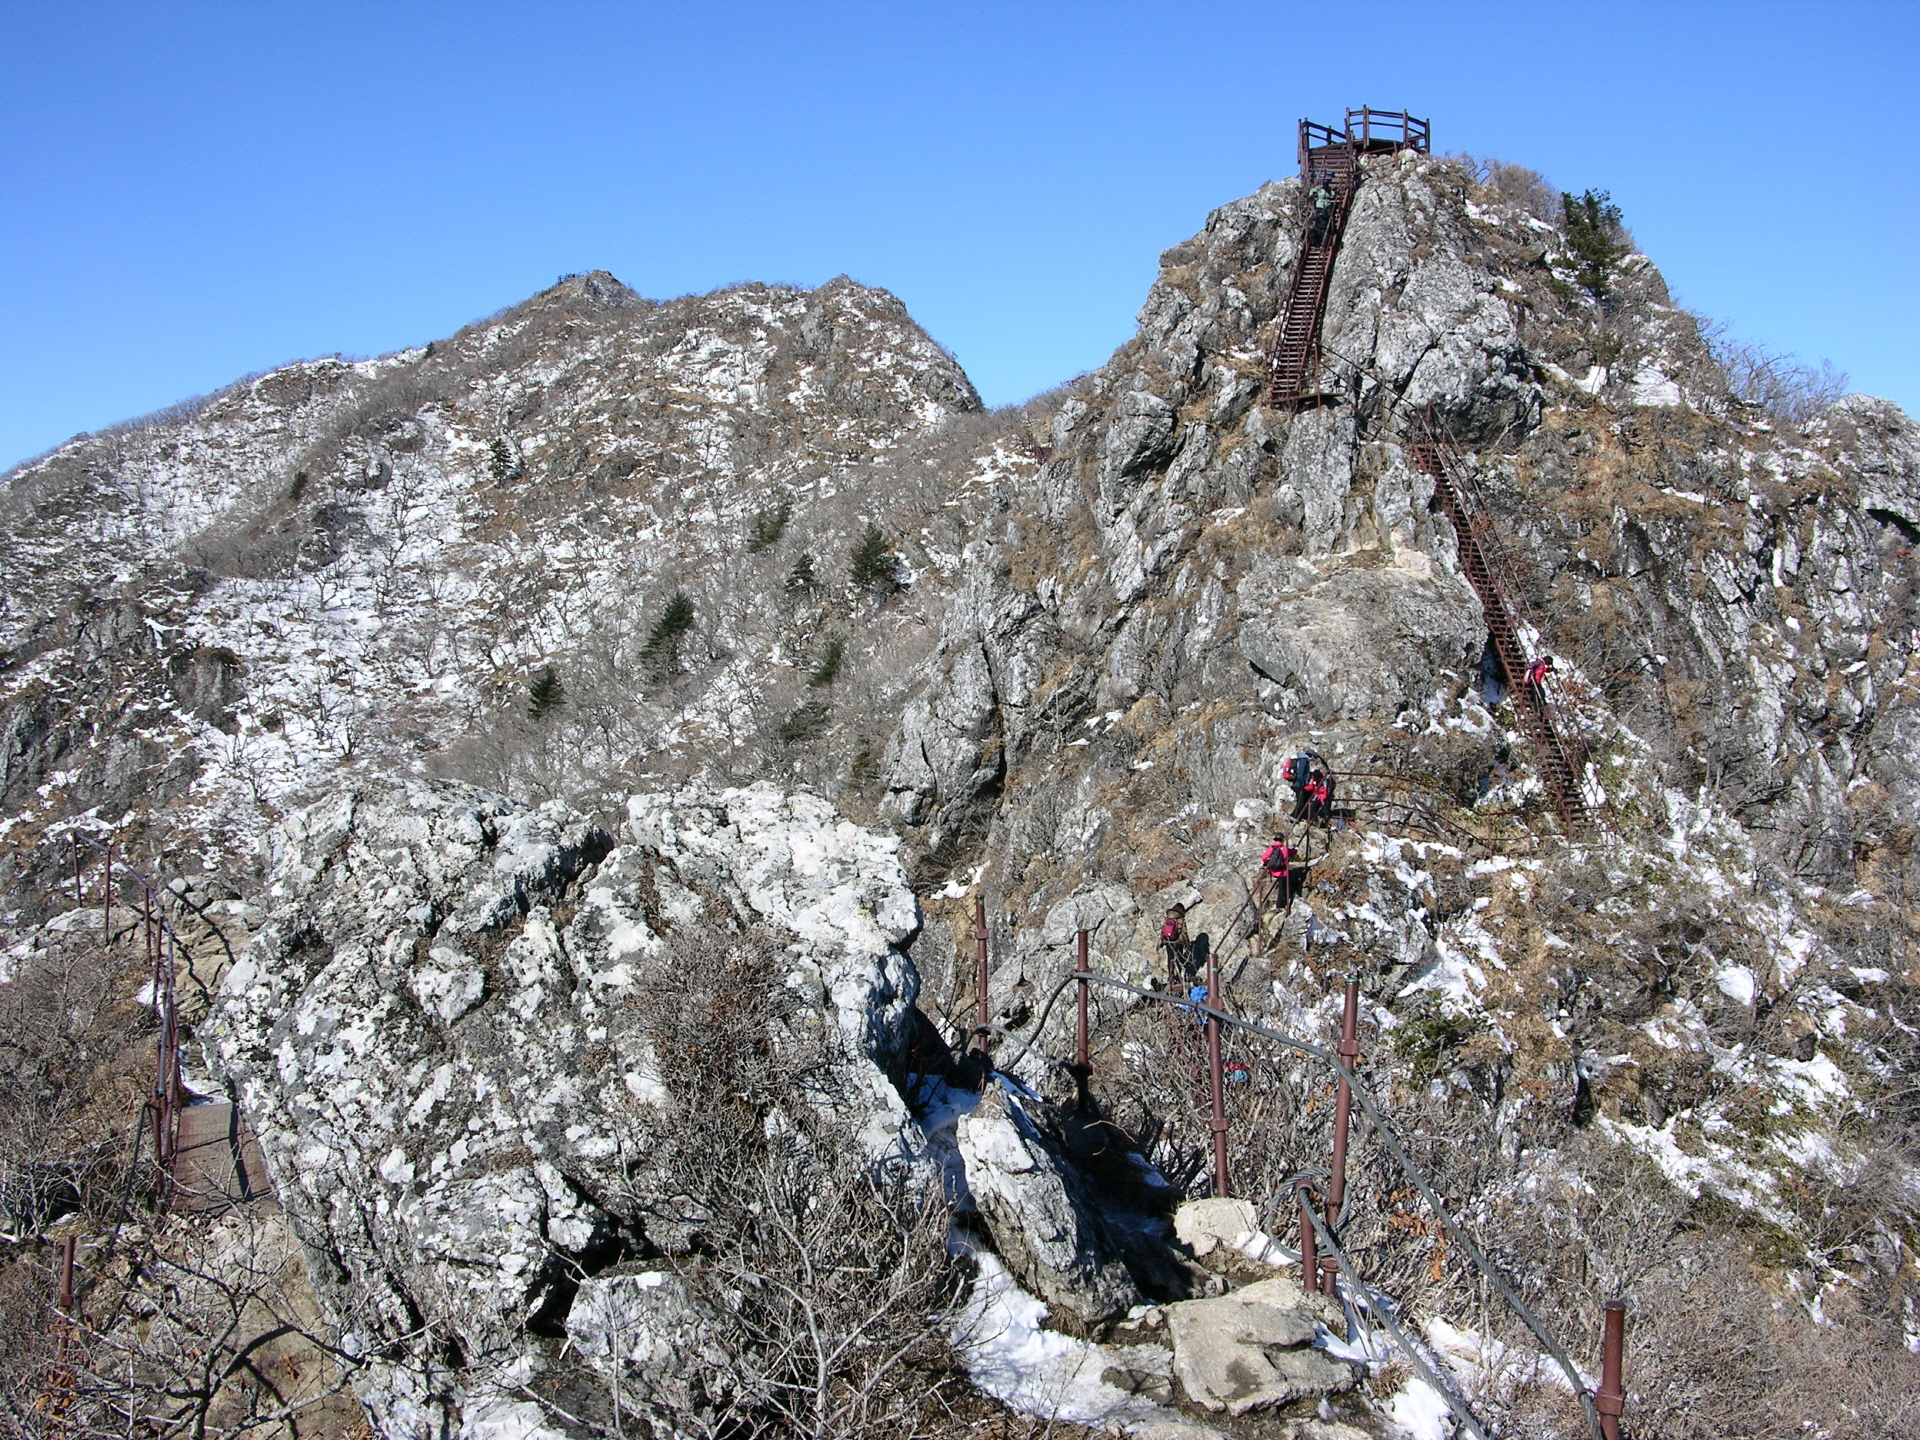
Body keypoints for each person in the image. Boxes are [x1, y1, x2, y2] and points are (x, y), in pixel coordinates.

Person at [1260, 834, 1299, 908]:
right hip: (1282, 872)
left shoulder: (1271, 848)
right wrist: (1295, 849)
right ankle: (1279, 905)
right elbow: (1291, 853)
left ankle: (1279, 905)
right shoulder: (1284, 848)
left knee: (1282, 887)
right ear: (1282, 840)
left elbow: (1263, 858)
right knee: (1283, 889)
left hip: (1273, 871)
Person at [1158, 904, 1191, 988]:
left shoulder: (1168, 917)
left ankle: (1171, 977)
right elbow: (1184, 932)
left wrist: (1161, 941)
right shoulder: (1180, 918)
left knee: (1170, 959)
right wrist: (1187, 944)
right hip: (1178, 942)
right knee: (1179, 959)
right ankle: (1179, 978)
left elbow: (1162, 930)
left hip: (1168, 941)